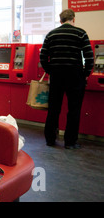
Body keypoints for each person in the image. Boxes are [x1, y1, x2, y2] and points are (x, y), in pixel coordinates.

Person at [40, 9, 94, 149]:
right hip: (75, 76)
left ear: (60, 20)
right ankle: (70, 142)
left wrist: (51, 70)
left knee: (53, 109)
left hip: (57, 76)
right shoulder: (80, 33)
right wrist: (85, 74)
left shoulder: (51, 34)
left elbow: (43, 57)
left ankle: (50, 139)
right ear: (73, 19)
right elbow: (89, 57)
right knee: (74, 109)